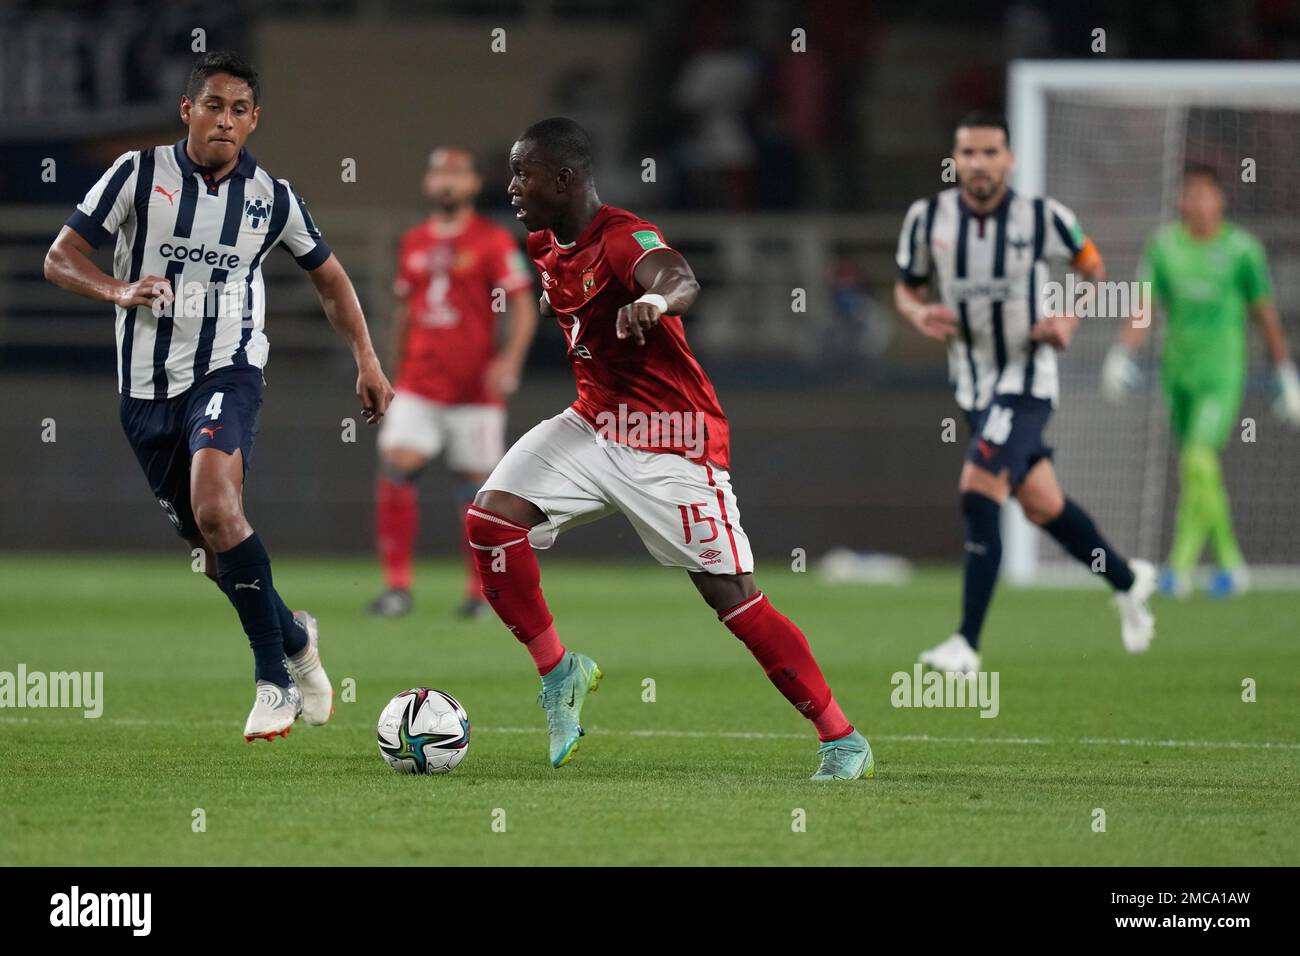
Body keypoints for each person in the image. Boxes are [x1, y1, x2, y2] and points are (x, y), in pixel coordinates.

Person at [466, 117, 873, 780]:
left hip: (671, 438)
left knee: (731, 595)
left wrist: (655, 302)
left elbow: (678, 275)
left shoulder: (624, 239)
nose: (510, 185)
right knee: (490, 519)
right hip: (595, 423)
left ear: (564, 178)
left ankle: (841, 737)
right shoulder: (542, 241)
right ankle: (560, 671)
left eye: (523, 173)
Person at [42, 51, 394, 740]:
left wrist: (368, 359)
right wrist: (120, 290)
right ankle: (294, 636)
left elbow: (331, 280)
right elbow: (58, 257)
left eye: (240, 110)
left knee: (218, 506)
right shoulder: (137, 175)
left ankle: (273, 682)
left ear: (254, 119)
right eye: (214, 106)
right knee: (210, 548)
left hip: (228, 372)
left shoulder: (274, 198)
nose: (226, 121)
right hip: (144, 390)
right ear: (188, 110)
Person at [894, 113, 1156, 675]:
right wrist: (918, 312)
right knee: (1042, 506)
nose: (980, 163)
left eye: (991, 152)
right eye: (969, 153)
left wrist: (1067, 318)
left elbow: (1092, 268)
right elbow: (906, 286)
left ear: (1009, 159)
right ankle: (1130, 582)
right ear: (956, 160)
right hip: (973, 385)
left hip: (1028, 379)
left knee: (978, 489)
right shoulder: (927, 219)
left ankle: (966, 643)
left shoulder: (1042, 217)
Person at [1101, 161, 1300, 597]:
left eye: (1201, 193)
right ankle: (1224, 566)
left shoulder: (1243, 250)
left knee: (1197, 458)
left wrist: (1284, 371)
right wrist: (1123, 351)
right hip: (1178, 374)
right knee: (1197, 471)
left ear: (1219, 198)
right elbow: (1146, 306)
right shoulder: (1164, 247)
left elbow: (1263, 314)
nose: (1192, 201)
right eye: (1186, 193)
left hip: (1223, 373)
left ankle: (1188, 565)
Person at [368, 147, 537, 619]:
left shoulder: (493, 240)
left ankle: (480, 594)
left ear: (472, 184)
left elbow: (522, 305)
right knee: (397, 465)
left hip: (475, 391)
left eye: (456, 174)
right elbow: (403, 311)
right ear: (428, 182)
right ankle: (397, 587)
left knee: (477, 490)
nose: (446, 181)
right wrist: (389, 370)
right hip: (419, 382)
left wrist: (509, 361)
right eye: (439, 172)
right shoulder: (414, 241)